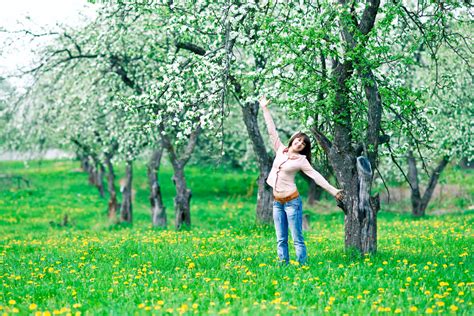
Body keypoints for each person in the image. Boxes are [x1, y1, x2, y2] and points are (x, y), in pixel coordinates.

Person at [259, 95, 343, 265]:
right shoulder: (280, 149)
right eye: (298, 140)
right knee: (280, 238)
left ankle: (303, 265)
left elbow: (316, 176)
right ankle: (283, 265)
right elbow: (271, 130)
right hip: (277, 202)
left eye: (303, 144)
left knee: (297, 237)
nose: (299, 144)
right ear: (293, 140)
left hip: (292, 202)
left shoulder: (301, 161)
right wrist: (264, 108)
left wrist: (333, 190)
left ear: (304, 148)